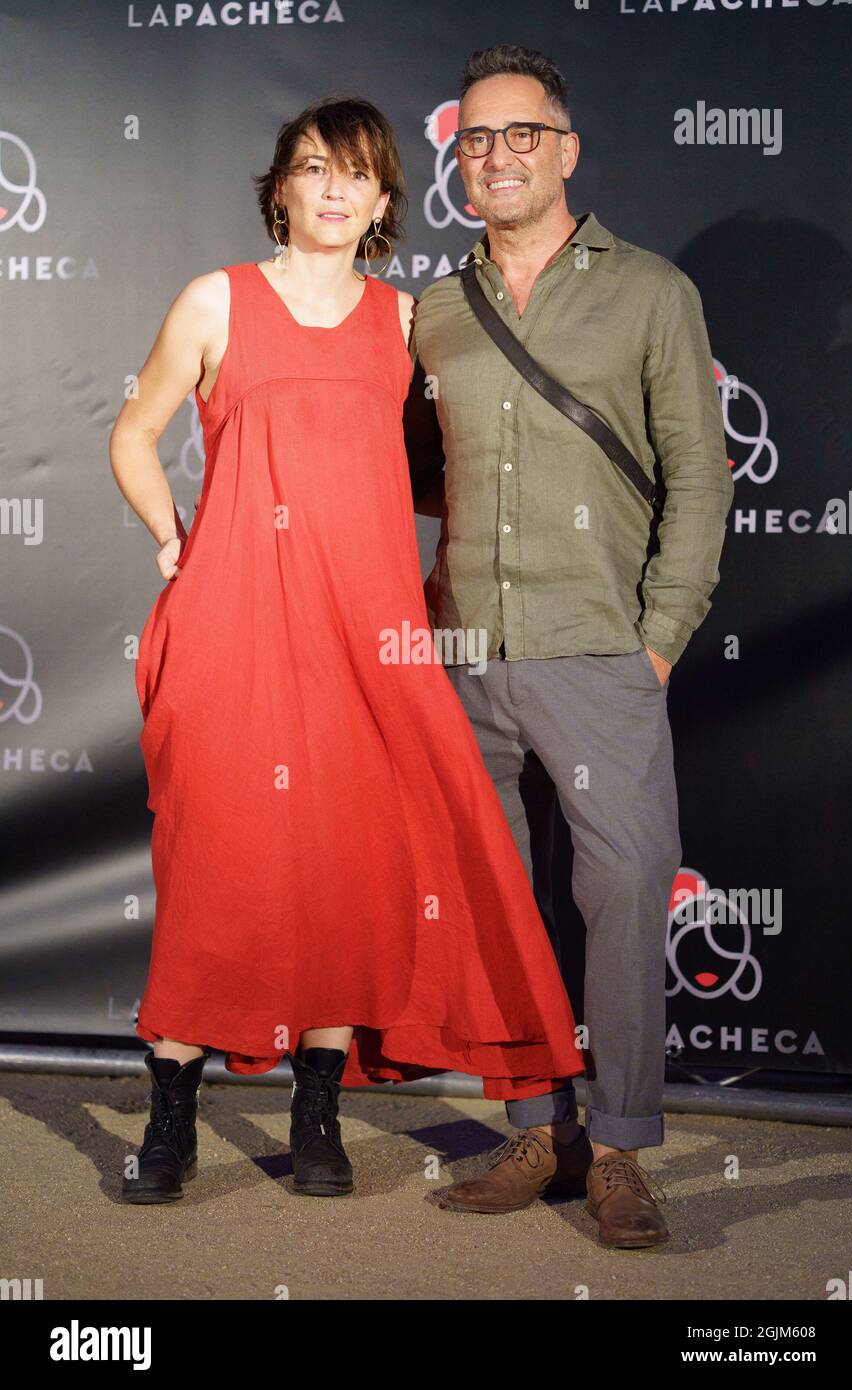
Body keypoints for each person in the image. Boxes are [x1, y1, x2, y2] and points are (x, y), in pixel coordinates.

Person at [108, 96, 586, 1207]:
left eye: (356, 174)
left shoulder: (405, 320)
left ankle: (314, 1109)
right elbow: (134, 432)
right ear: (279, 184)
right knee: (213, 865)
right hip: (233, 629)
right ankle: (170, 1115)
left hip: (365, 641)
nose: (332, 188)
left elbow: (449, 458)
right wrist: (175, 541)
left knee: (343, 869)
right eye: (312, 167)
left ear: (381, 202)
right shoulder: (214, 299)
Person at [409, 46, 735, 1247]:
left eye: (520, 135)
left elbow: (700, 475)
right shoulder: (435, 307)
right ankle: (534, 1124)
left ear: (566, 149)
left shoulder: (648, 291)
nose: (496, 157)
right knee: (501, 906)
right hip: (464, 654)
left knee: (625, 886)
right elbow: (400, 469)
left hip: (598, 649)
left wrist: (656, 640)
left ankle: (619, 1145)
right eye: (476, 142)